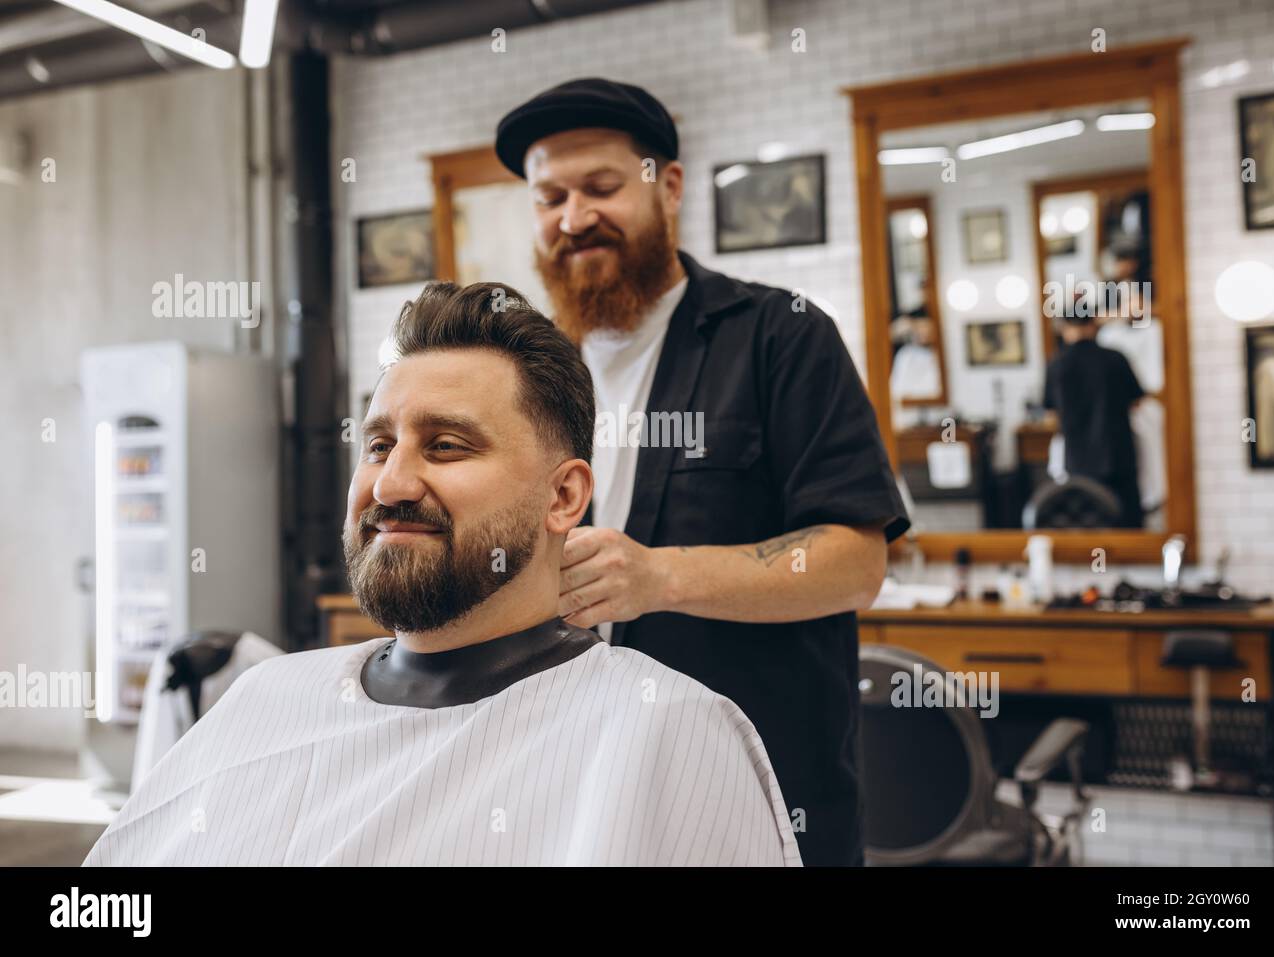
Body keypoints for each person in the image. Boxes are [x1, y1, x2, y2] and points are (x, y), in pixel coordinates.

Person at [84, 282, 801, 867]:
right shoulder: (264, 697)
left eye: (447, 445)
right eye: (378, 444)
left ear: (564, 496)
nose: (391, 483)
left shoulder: (660, 732)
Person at [495, 78, 911, 865]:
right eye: (550, 197)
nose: (574, 217)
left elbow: (856, 564)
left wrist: (657, 577)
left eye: (602, 187)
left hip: (756, 793)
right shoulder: (529, 371)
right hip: (572, 778)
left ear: (669, 186)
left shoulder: (780, 338)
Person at [1043, 308, 1146, 527]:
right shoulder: (1115, 359)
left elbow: (1051, 412)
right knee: (1127, 522)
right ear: (1093, 325)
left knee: (1088, 522)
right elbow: (1137, 401)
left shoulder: (1056, 365)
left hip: (1079, 458)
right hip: (1118, 453)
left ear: (1065, 329)